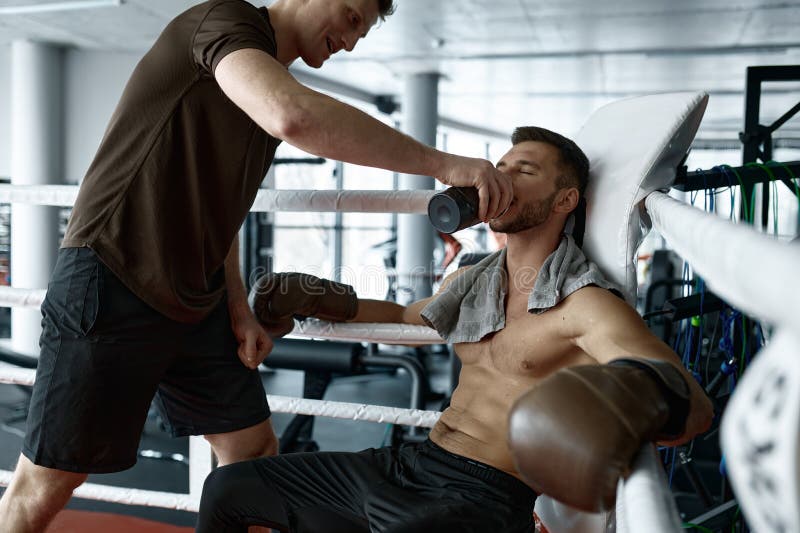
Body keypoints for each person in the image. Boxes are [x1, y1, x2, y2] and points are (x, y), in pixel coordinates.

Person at [0, 0, 516, 531]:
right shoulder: (226, 21)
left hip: (194, 299)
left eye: (362, 28)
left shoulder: (263, 80)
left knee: (250, 452)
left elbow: (223, 210)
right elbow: (291, 114)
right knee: (48, 481)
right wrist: (443, 164)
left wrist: (238, 307)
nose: (353, 38)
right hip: (114, 276)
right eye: (352, 16)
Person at [196, 126, 715, 532]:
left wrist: (625, 399)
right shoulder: (474, 280)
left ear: (565, 201)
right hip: (414, 463)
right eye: (502, 167)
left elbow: (693, 405)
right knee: (230, 490)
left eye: (525, 172)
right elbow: (405, 317)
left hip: (483, 500)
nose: (503, 179)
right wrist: (318, 296)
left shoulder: (585, 305)